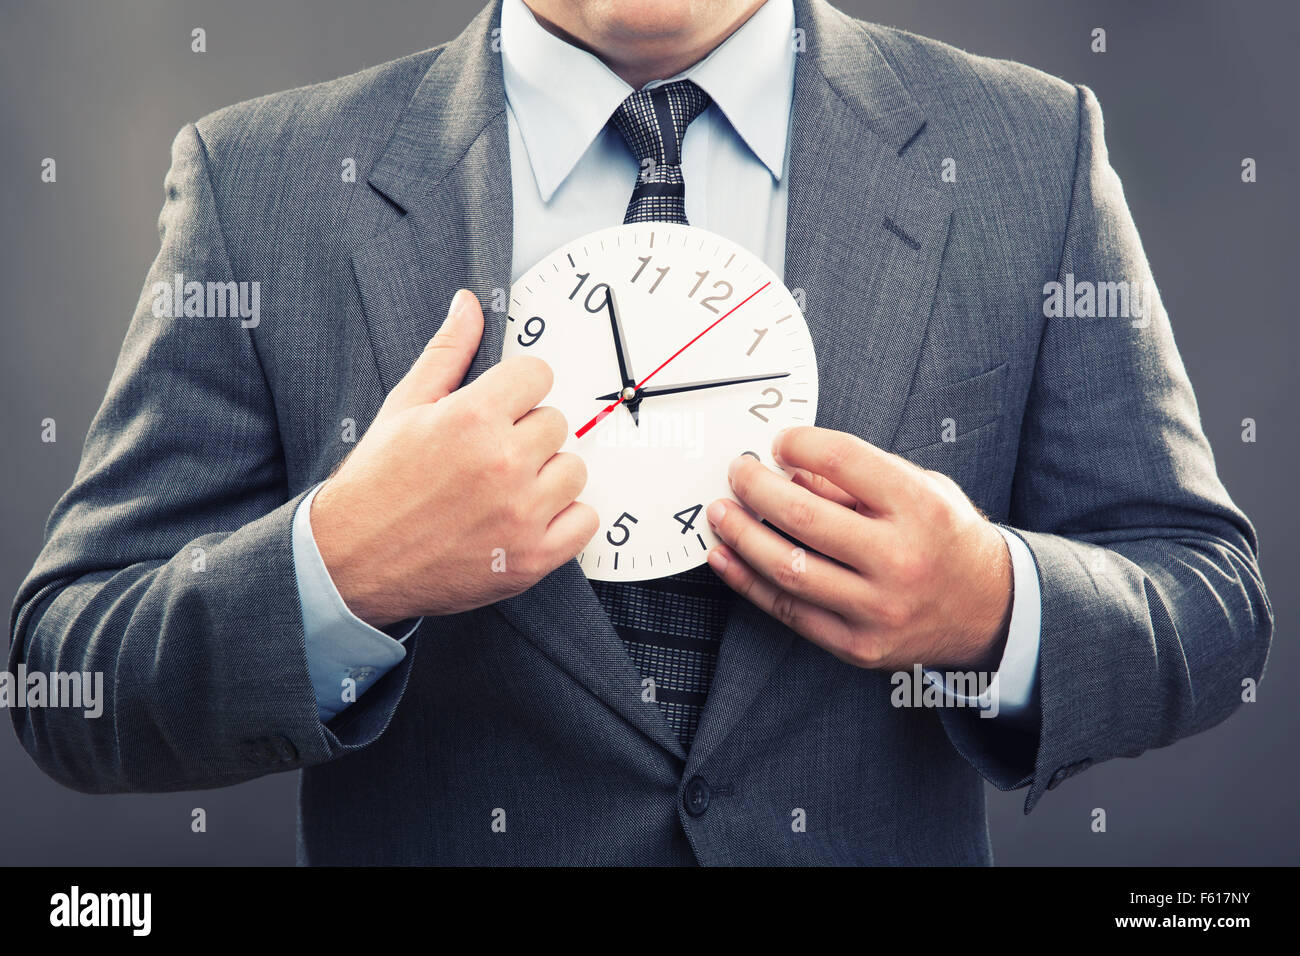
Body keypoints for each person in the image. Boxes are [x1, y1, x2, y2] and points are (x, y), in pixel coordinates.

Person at [10, 0, 1271, 865]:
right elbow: (63, 672)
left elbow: (1213, 606)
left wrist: (996, 605)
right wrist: (339, 568)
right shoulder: (261, 180)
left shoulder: (1029, 151)